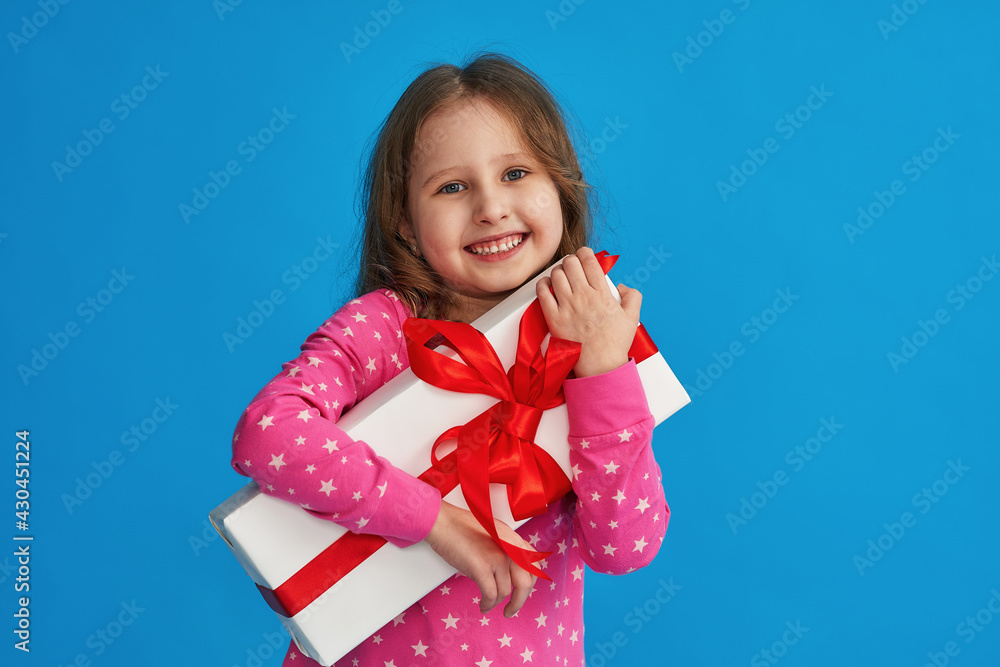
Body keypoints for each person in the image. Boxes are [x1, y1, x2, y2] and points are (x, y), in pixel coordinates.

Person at [229, 51, 669, 667]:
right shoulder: (386, 329)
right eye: (452, 187)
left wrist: (601, 370)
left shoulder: (591, 333)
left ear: (561, 190)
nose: (490, 207)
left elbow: (627, 547)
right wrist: (433, 519)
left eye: (517, 173)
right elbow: (266, 433)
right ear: (405, 223)